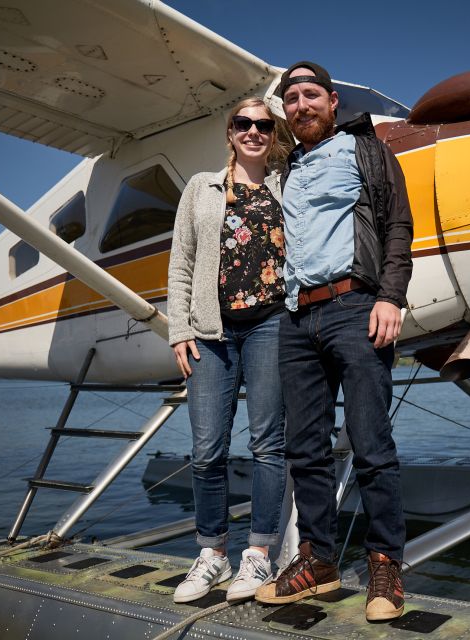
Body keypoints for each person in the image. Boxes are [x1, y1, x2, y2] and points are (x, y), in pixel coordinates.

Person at [254, 62, 413, 622]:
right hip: (297, 317)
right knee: (306, 450)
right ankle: (318, 560)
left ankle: (386, 566)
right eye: (291, 99)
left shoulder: (368, 151)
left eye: (311, 95)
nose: (301, 105)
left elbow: (397, 224)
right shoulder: (287, 168)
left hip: (355, 306)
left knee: (371, 444)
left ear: (331, 100)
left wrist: (391, 296)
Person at [167, 97, 290, 603]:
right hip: (210, 332)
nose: (253, 132)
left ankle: (258, 555)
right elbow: (181, 261)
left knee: (267, 444)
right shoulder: (201, 187)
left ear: (274, 134)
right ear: (230, 131)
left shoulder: (288, 186)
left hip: (271, 325)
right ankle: (213, 554)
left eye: (264, 125)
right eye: (244, 123)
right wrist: (179, 329)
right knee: (206, 450)